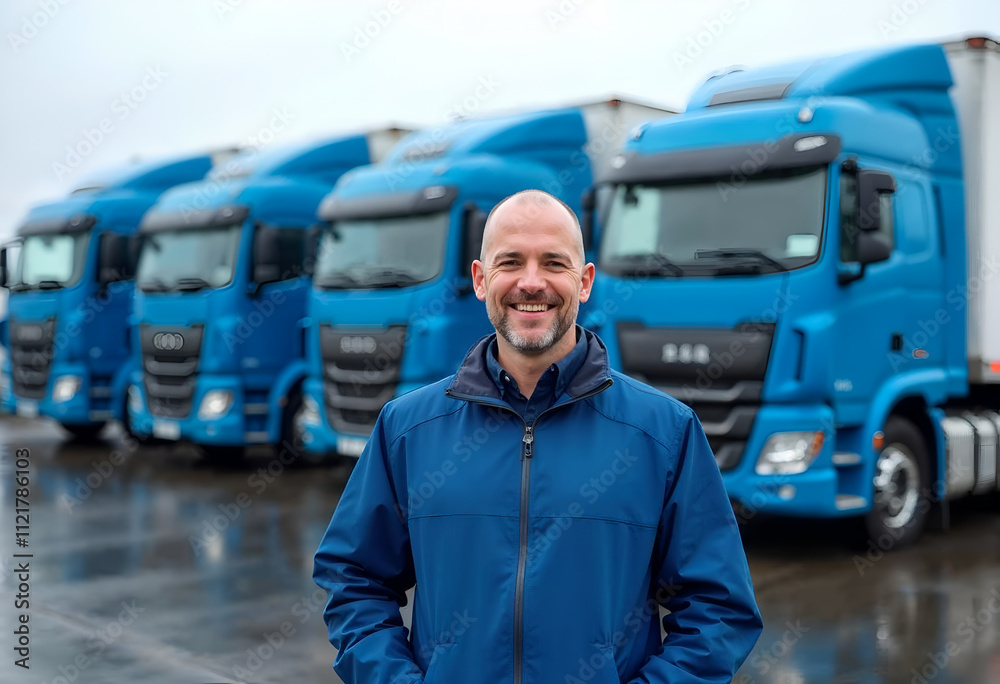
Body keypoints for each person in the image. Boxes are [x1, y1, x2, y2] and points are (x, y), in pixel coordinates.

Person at [313, 189, 763, 683]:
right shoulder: (407, 429)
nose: (532, 283)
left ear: (585, 281)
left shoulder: (664, 432)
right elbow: (354, 579)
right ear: (481, 280)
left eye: (553, 262)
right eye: (511, 262)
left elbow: (718, 607)